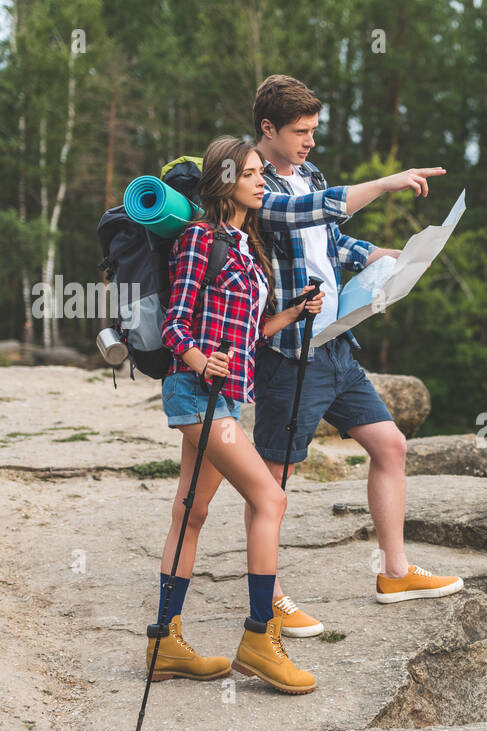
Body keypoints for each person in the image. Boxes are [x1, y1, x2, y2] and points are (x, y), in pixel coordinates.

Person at [248, 74, 463, 633]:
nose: (310, 142)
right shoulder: (251, 184)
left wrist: (376, 256)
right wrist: (387, 184)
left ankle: (394, 572)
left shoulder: (308, 172)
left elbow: (329, 239)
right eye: (300, 132)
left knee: (390, 445)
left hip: (336, 341)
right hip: (290, 353)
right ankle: (266, 596)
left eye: (314, 131)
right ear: (267, 129)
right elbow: (306, 214)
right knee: (274, 478)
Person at [149, 135, 324, 694]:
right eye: (251, 173)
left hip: (223, 396)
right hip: (196, 394)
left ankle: (165, 642)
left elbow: (248, 334)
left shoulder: (248, 248)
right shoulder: (200, 240)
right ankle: (258, 637)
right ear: (226, 180)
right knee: (270, 498)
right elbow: (175, 327)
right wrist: (204, 362)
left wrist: (295, 312)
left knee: (192, 512)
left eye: (259, 173)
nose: (260, 180)